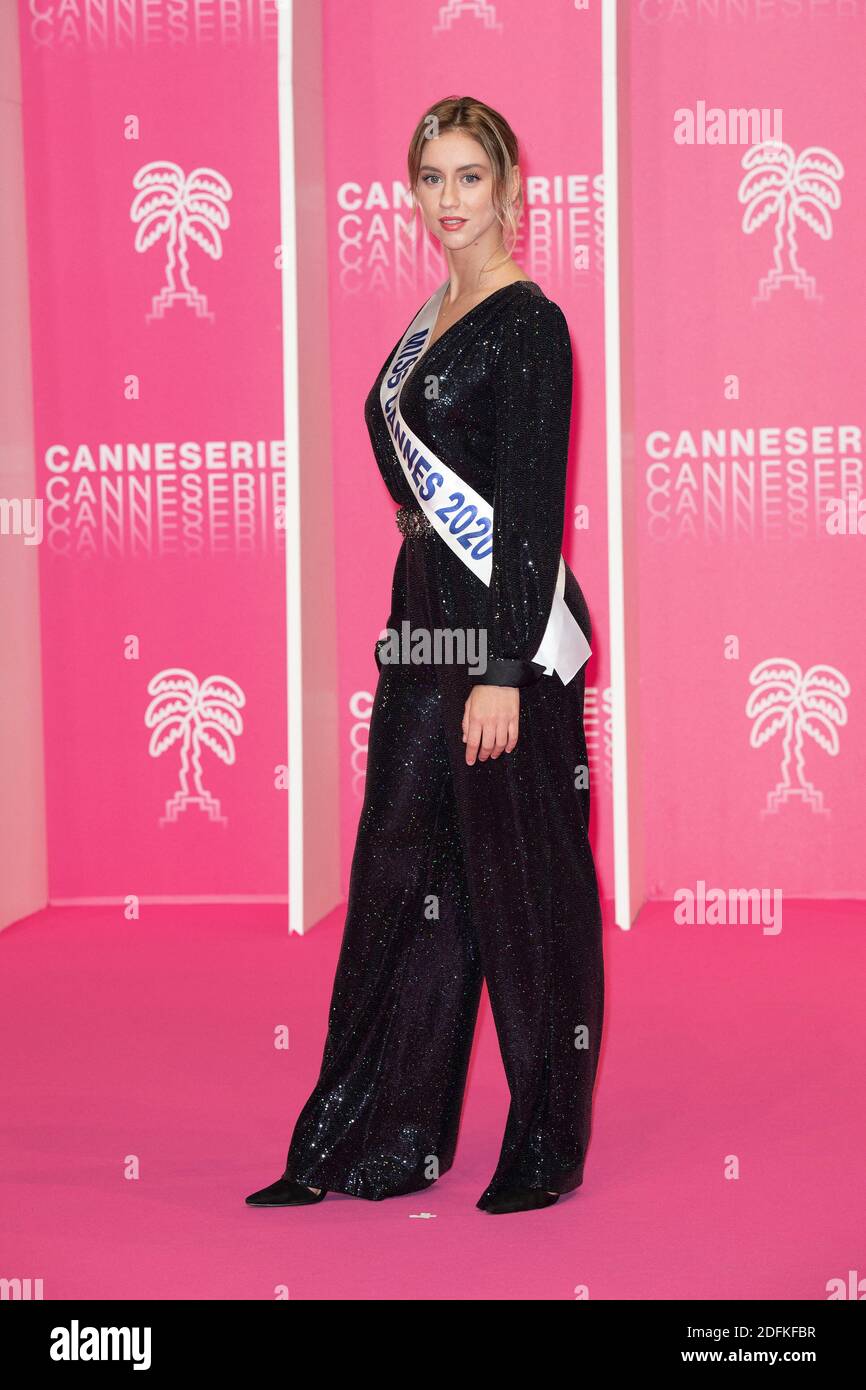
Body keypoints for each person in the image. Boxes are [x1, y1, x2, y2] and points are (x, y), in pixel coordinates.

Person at [246, 96, 604, 1216]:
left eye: (467, 177)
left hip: (503, 646)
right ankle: (374, 1135)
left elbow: (531, 511)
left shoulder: (526, 323)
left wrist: (500, 668)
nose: (447, 201)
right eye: (429, 179)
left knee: (518, 884)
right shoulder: (433, 313)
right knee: (400, 869)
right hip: (420, 632)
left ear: (508, 185)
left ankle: (542, 1144)